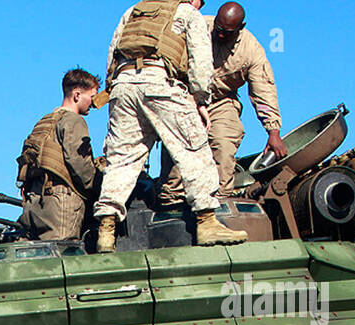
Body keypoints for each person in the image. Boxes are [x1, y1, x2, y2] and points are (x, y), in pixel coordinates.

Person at [93, 0, 247, 252]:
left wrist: (117, 89)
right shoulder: (187, 13)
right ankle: (207, 222)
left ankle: (106, 231)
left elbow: (112, 56)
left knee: (121, 159)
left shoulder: (133, 11)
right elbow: (201, 63)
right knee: (193, 148)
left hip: (123, 85)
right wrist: (200, 100)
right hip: (160, 82)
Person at [158, 1, 286, 205]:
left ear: (240, 28)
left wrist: (273, 131)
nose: (219, 35)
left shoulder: (251, 50)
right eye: (217, 29)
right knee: (178, 154)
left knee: (224, 147)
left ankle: (220, 205)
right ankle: (171, 202)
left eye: (226, 32)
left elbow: (263, 90)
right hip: (187, 97)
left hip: (221, 101)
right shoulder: (196, 26)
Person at [17, 69, 103, 240]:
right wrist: (102, 187)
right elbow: (80, 165)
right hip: (61, 205)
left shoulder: (44, 121)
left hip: (35, 201)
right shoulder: (74, 121)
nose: (94, 104)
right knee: (62, 258)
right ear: (77, 95)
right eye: (92, 97)